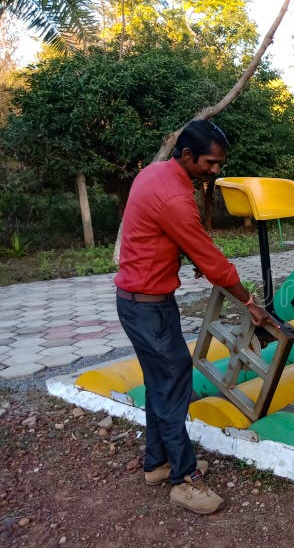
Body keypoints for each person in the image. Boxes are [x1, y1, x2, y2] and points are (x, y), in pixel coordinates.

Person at [115, 120, 269, 515]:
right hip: (146, 305)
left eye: (220, 163)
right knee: (172, 381)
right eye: (211, 163)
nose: (216, 170)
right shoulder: (174, 199)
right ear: (187, 156)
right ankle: (184, 479)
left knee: (161, 381)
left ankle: (157, 463)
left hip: (141, 300)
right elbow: (215, 264)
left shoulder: (158, 173)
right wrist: (249, 301)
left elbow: (165, 232)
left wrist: (184, 251)